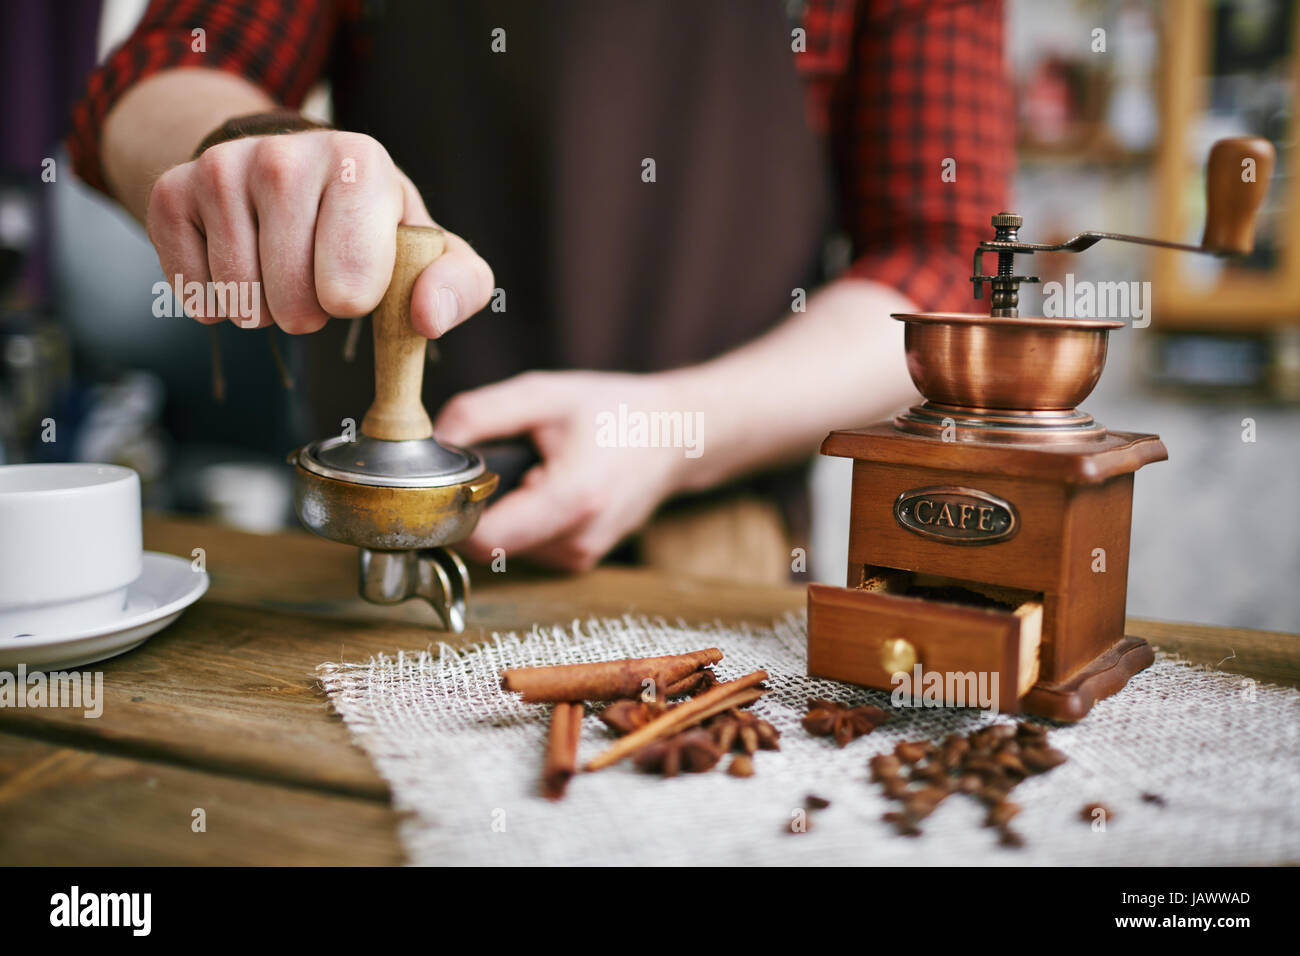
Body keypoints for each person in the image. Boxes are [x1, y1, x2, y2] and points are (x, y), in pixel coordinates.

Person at [71, 0, 1011, 579]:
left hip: (716, 555)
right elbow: (154, 73)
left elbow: (947, 265)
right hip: (377, 544)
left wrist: (667, 431)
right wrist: (245, 147)